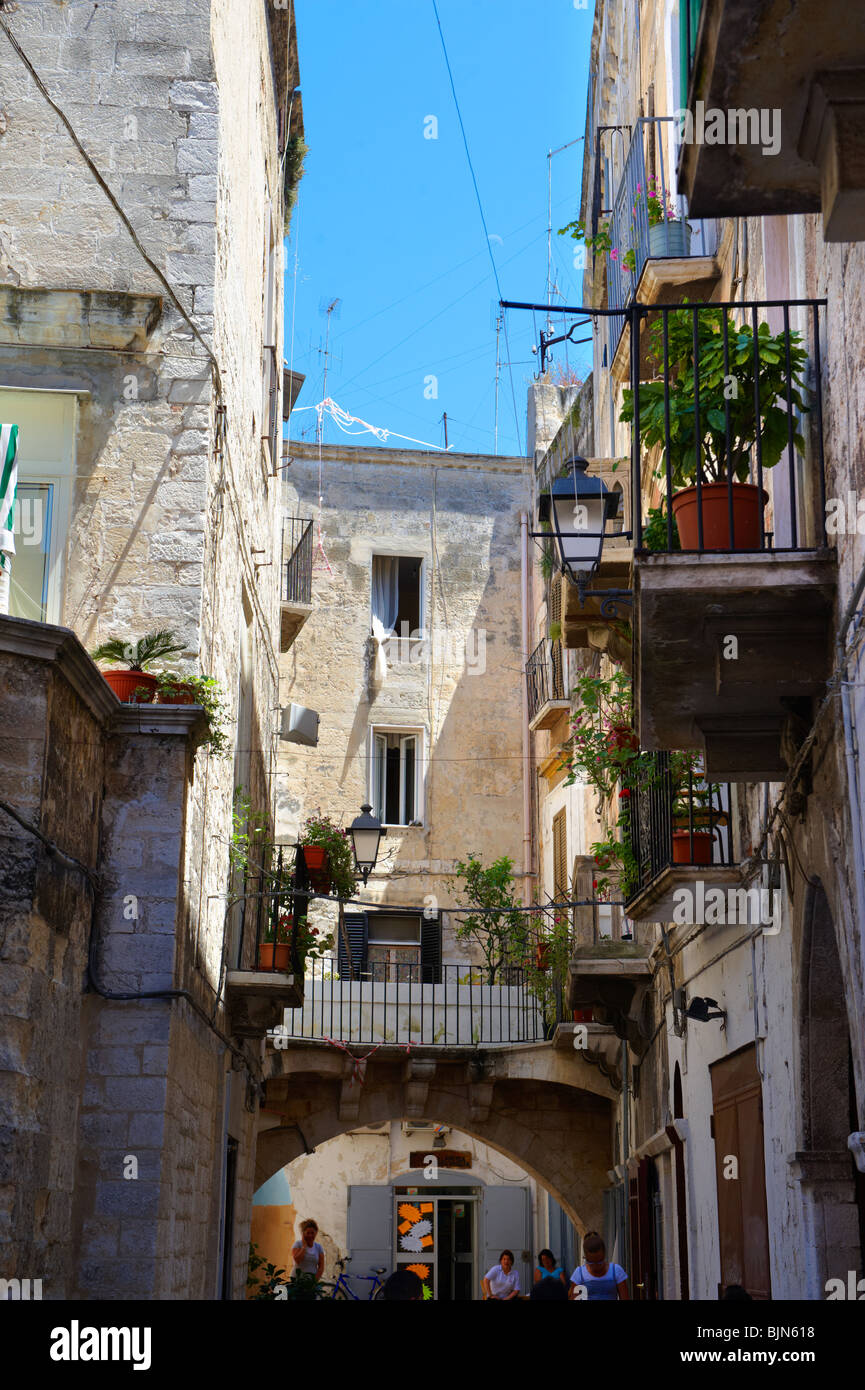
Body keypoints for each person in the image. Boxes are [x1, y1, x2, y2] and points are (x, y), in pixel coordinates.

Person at [569, 1232, 629, 1301]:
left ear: (604, 1255)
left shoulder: (616, 1271)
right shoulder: (579, 1274)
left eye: (599, 1262)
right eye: (591, 1263)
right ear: (585, 1258)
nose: (595, 1266)